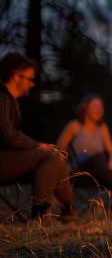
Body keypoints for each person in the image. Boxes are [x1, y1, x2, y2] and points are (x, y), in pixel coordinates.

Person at [0, 52, 76, 220]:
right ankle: (44, 212)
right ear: (16, 76)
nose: (32, 84)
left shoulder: (9, 100)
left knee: (55, 155)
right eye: (29, 78)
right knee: (52, 155)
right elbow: (9, 137)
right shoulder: (2, 98)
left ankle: (66, 209)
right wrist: (37, 146)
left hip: (8, 158)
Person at [56, 94, 112, 204]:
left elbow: (110, 149)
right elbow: (59, 148)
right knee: (98, 157)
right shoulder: (74, 125)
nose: (99, 110)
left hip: (101, 170)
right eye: (95, 106)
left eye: (101, 107)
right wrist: (66, 165)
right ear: (85, 107)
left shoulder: (102, 127)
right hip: (81, 170)